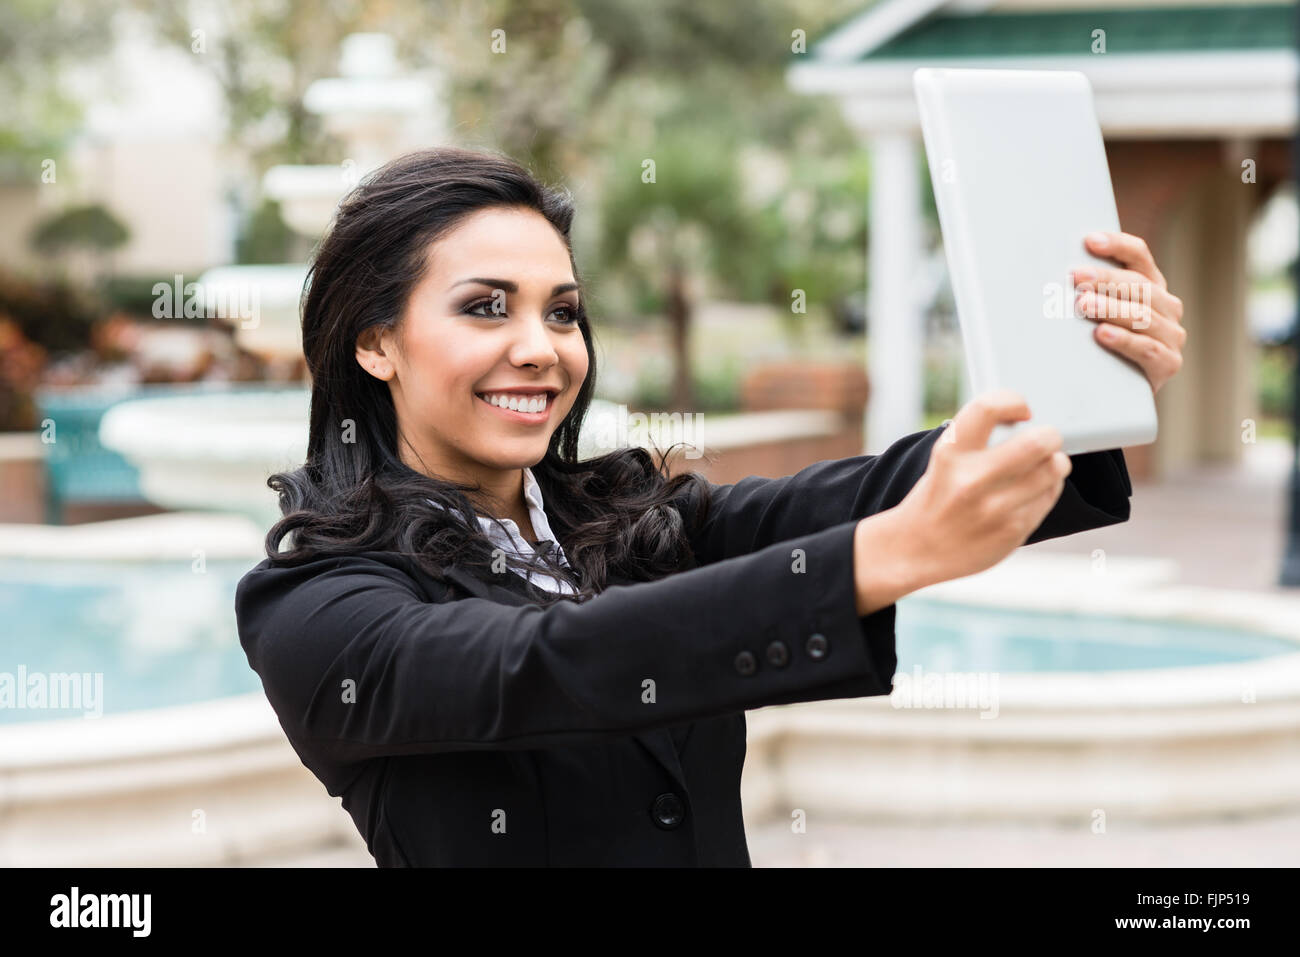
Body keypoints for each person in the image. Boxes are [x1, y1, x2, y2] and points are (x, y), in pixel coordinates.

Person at [234, 146, 1187, 867]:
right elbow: (543, 663)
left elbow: (857, 492)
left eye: (561, 311)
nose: (541, 347)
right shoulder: (315, 607)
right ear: (374, 343)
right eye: (487, 307)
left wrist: (1083, 387)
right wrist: (884, 555)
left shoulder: (632, 523)